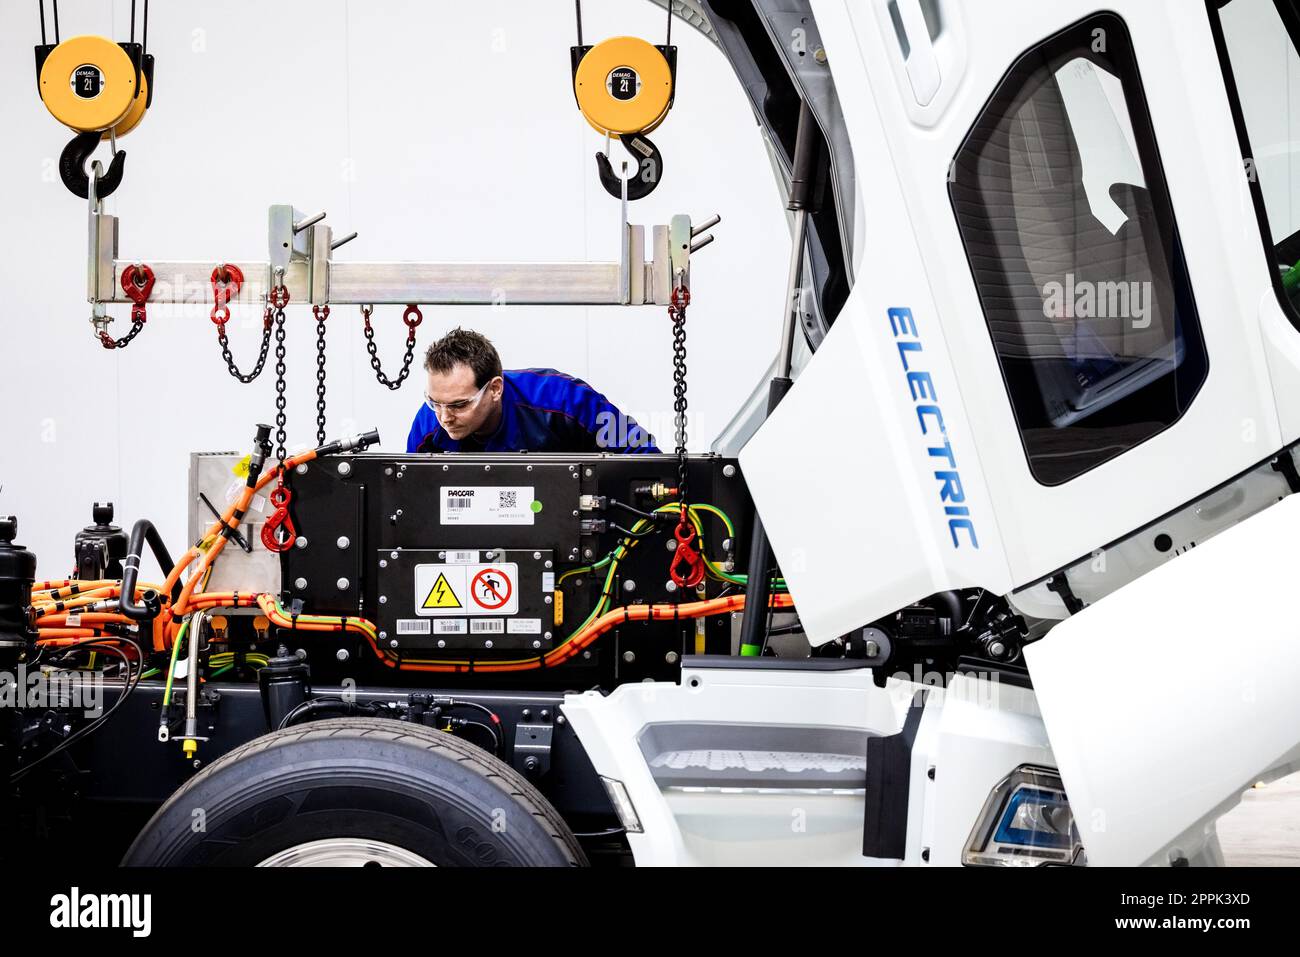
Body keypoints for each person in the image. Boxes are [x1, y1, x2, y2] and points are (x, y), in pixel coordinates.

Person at [406, 328, 659, 453]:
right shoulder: (428, 424)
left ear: (495, 389)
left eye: (460, 405)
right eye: (435, 403)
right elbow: (408, 499)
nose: (445, 416)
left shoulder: (563, 400)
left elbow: (642, 453)